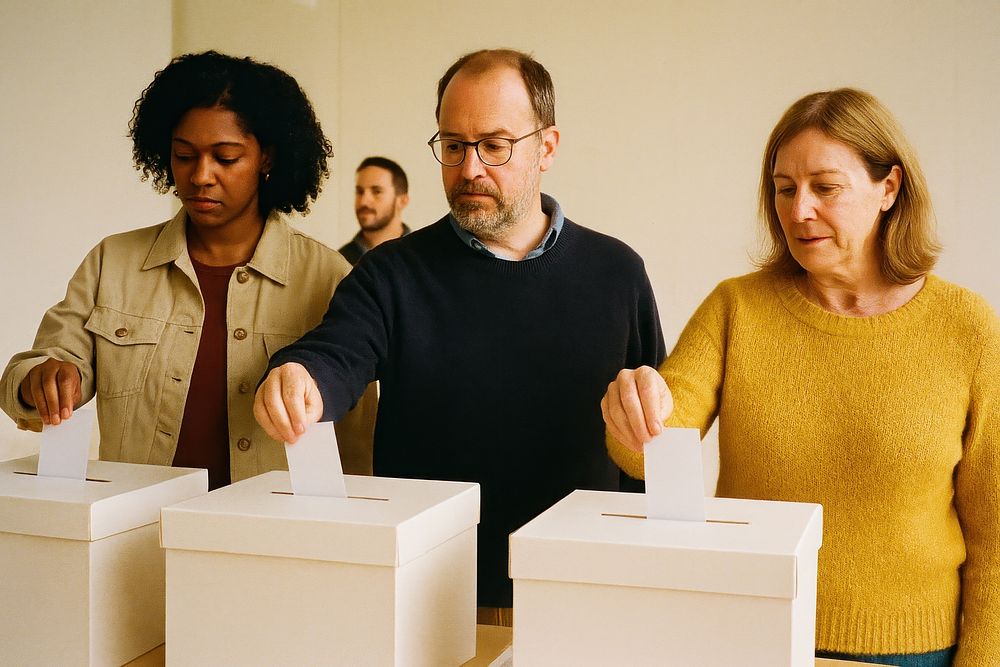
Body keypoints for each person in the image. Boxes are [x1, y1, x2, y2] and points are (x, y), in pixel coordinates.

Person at [255, 48, 665, 623]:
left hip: (580, 590)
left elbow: (651, 440)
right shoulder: (391, 273)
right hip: (428, 595)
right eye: (453, 146)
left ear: (547, 147)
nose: (470, 168)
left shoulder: (617, 272)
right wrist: (302, 376)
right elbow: (336, 353)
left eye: (494, 146)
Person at [601, 88, 998, 666]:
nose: (799, 210)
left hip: (909, 652)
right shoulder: (736, 308)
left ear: (889, 188)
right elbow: (648, 447)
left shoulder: (968, 329)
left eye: (825, 187)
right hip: (747, 635)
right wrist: (636, 408)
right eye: (785, 189)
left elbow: (995, 536)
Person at [0, 50, 375, 489]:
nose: (200, 176)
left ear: (267, 159)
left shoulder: (329, 278)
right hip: (135, 522)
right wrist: (39, 380)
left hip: (269, 526)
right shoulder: (112, 263)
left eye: (226, 158)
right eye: (184, 156)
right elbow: (30, 373)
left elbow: (357, 442)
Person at [338, 156, 411, 265]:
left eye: (377, 191)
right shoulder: (339, 263)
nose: (363, 202)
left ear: (402, 201)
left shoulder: (425, 257)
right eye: (360, 192)